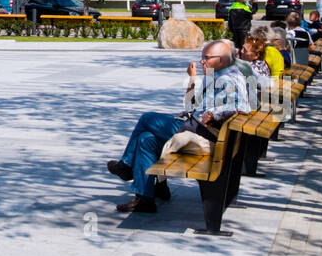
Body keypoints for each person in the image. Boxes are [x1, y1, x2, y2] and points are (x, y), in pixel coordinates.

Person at [106, 40, 251, 213]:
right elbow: (191, 106)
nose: (202, 61)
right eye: (202, 57)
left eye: (206, 58)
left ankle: (126, 166)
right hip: (194, 127)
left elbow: (242, 106)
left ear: (221, 60)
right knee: (146, 139)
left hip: (199, 135)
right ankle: (144, 198)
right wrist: (192, 79)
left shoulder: (229, 78)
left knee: (147, 119)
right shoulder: (216, 75)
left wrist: (214, 114)